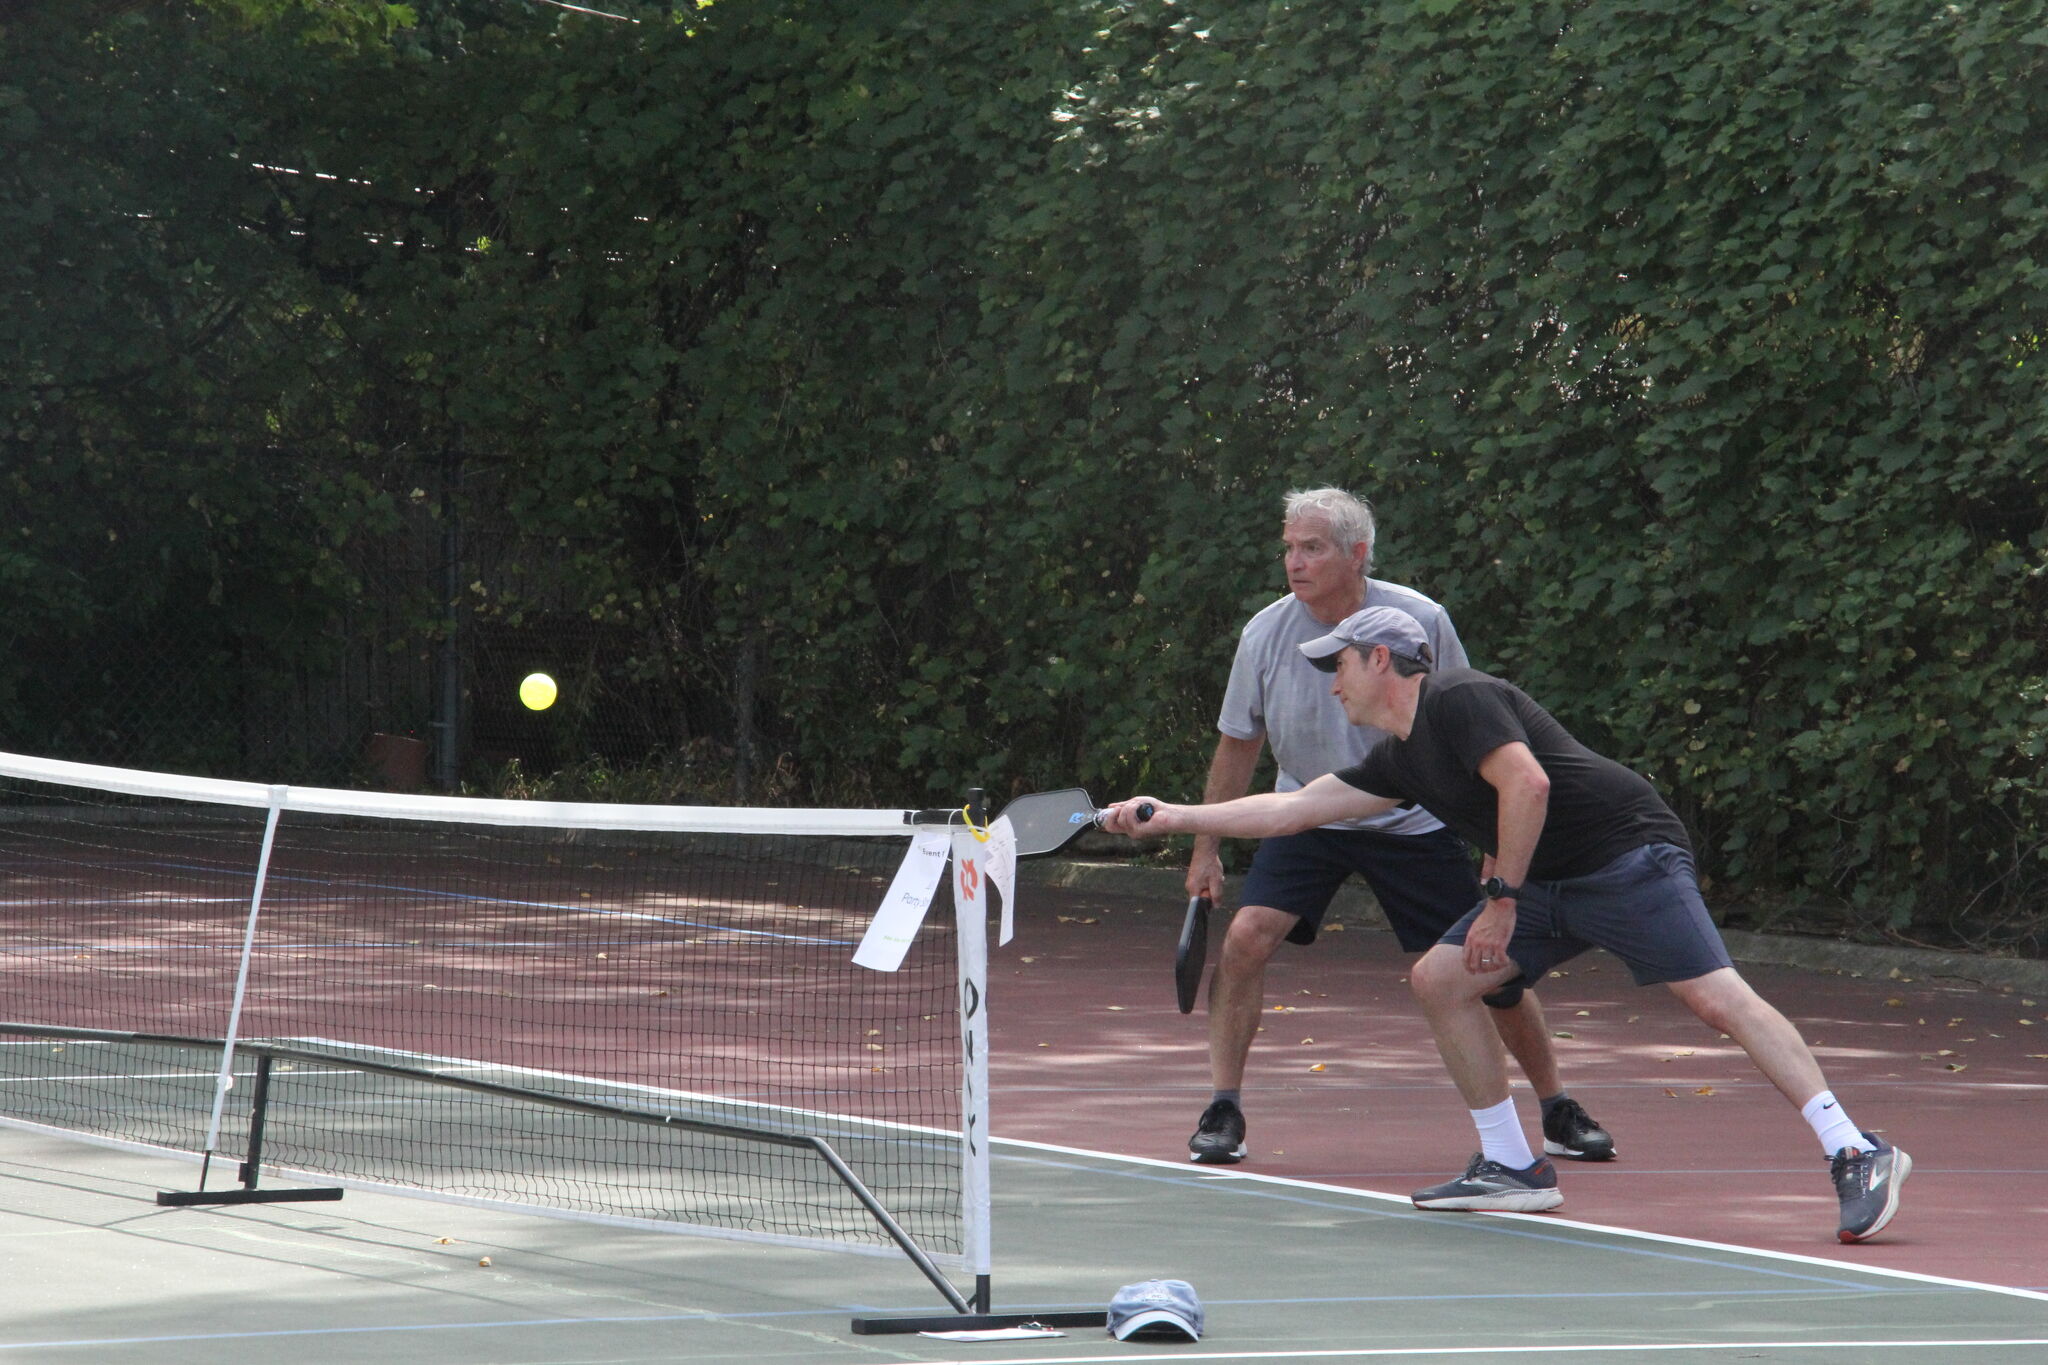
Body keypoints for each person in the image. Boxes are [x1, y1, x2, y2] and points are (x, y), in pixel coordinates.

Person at [1105, 606, 1910, 1243]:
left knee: (1714, 999)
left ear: (1381, 660)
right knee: (1439, 977)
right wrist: (1173, 814)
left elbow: (1527, 784)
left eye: (1338, 665)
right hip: (1548, 878)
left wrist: (1500, 896)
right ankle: (1513, 1164)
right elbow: (1295, 809)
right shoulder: (1399, 757)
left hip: (1626, 854)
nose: (1332, 684)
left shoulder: (1460, 698)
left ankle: (1853, 1146)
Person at [1182, 487, 1611, 1169]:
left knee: (1489, 967)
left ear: (1357, 554)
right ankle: (1223, 1105)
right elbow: (1238, 745)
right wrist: (1205, 849)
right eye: (1289, 548)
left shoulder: (1421, 619)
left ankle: (1557, 1106)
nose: (1294, 562)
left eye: (1311, 547)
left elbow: (1477, 727)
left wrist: (1495, 846)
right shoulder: (1264, 633)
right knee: (1244, 938)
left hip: (1413, 818)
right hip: (1310, 812)